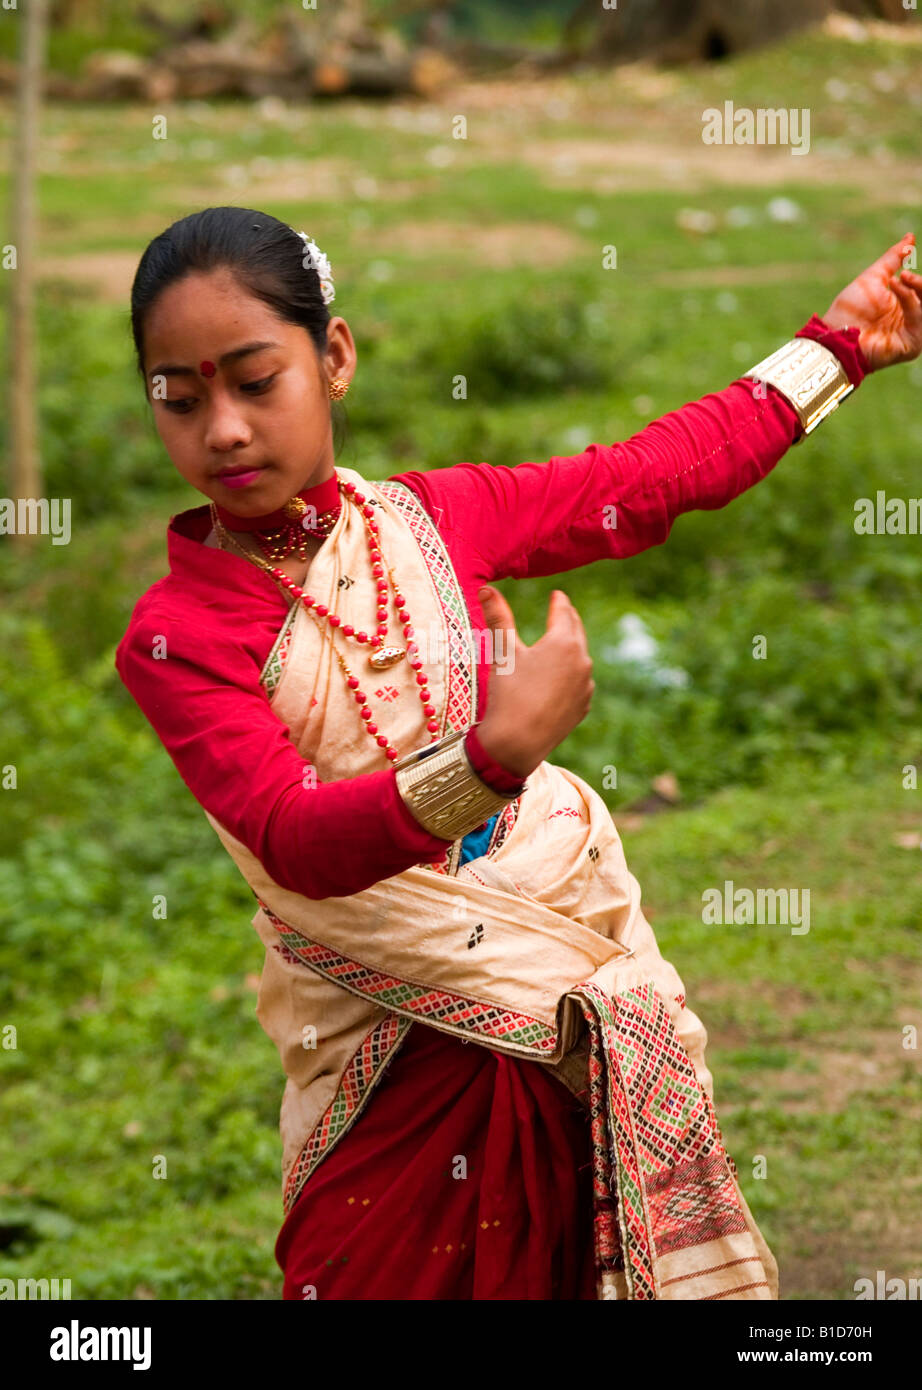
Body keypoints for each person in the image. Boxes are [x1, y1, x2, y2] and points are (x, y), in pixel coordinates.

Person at [115, 206, 921, 1301]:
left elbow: (651, 479)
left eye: (256, 382)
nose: (222, 429)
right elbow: (291, 840)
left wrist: (833, 349)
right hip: (379, 1053)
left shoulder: (437, 520)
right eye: (181, 397)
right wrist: (491, 760)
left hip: (547, 1007)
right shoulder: (181, 636)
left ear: (334, 357)